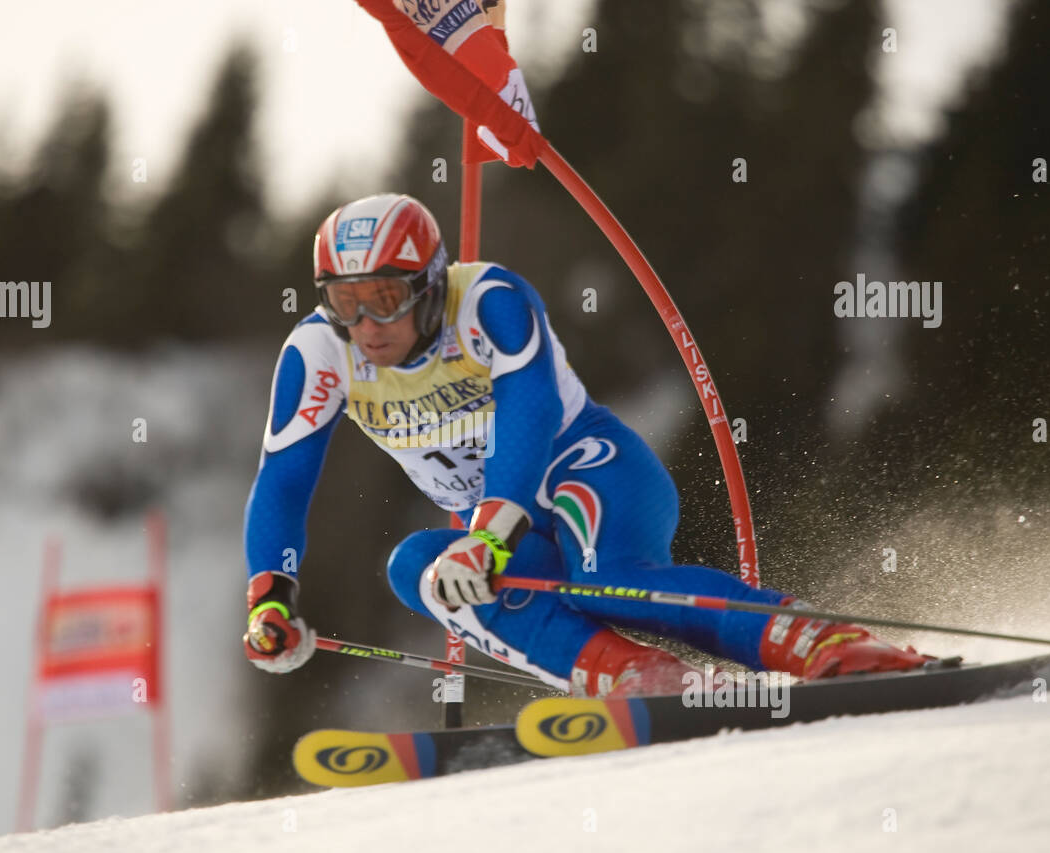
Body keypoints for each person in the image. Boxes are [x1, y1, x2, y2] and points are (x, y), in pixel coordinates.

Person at [241, 193, 933, 697]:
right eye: (344, 300)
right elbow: (284, 479)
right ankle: (639, 680)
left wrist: (490, 529)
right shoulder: (318, 352)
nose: (365, 324)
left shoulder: (488, 300)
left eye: (386, 297)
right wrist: (270, 596)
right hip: (496, 526)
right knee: (417, 567)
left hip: (586, 472)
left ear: (428, 282)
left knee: (606, 582)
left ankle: (824, 641)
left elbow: (531, 409)